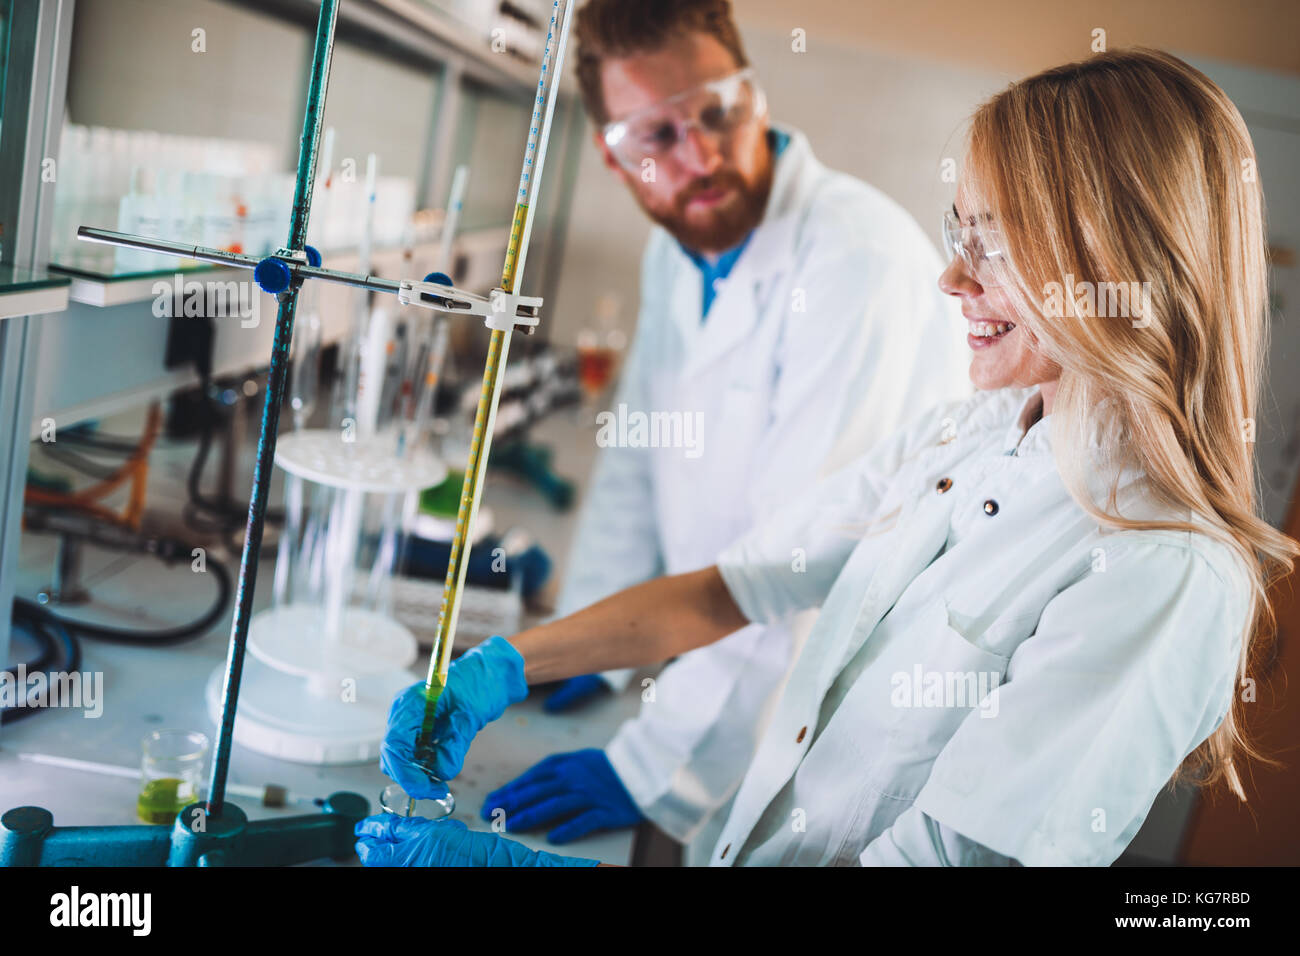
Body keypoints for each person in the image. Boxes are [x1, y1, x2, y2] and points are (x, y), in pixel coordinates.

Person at [357, 47, 1298, 867]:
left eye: (998, 241)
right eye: (960, 229)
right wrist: (502, 668)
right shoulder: (966, 434)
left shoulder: (1158, 571)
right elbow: (732, 589)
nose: (953, 276)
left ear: (1124, 261)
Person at [455, 0, 964, 862]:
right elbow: (637, 457)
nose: (701, 158)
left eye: (717, 112)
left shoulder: (852, 259)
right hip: (713, 659)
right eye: (655, 138)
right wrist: (589, 639)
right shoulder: (677, 250)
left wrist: (649, 768)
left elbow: (791, 571)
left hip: (820, 717)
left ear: (754, 96)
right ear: (617, 163)